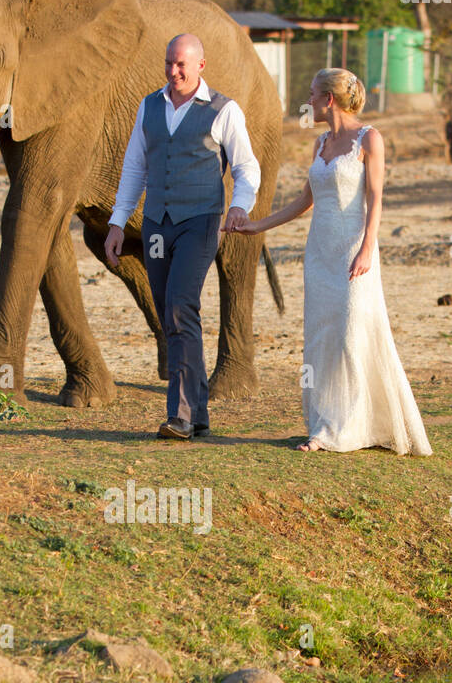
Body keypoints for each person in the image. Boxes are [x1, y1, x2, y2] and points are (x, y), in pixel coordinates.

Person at [226, 68, 432, 456]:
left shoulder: (369, 138)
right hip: (319, 254)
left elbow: (375, 198)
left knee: (352, 334)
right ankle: (325, 426)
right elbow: (304, 201)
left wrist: (368, 247)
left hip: (354, 250)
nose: (309, 101)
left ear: (329, 100)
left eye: (312, 94)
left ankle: (358, 425)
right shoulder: (321, 142)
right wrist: (258, 226)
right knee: (323, 338)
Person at [105, 34, 261, 440]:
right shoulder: (149, 105)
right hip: (157, 223)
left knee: (179, 306)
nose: (174, 71)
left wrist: (240, 205)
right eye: (169, 63)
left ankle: (181, 414)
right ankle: (199, 411)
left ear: (200, 66)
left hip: (201, 221)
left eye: (182, 65)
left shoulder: (223, 110)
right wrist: (118, 223)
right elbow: (134, 169)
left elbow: (247, 168)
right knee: (169, 313)